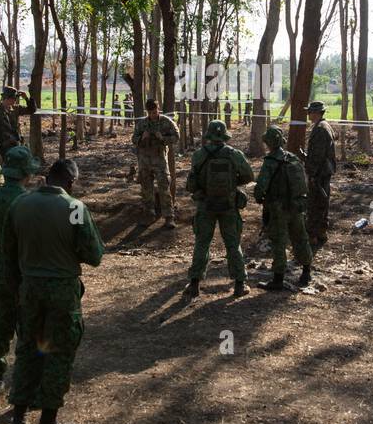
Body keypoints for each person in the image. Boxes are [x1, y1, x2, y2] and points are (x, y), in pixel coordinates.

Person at [5, 159, 104, 424]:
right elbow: (94, 255)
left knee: (27, 350)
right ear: (71, 182)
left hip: (30, 289)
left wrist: (16, 289)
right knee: (58, 353)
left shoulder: (20, 204)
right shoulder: (74, 208)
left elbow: (7, 253)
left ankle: (17, 420)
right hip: (62, 290)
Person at [0, 145, 40, 404]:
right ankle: (26, 387)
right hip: (25, 274)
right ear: (26, 173)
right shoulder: (28, 202)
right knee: (29, 333)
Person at [183, 120, 253, 298]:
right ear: (224, 136)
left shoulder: (198, 155)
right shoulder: (234, 154)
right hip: (228, 205)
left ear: (209, 135)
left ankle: (194, 284)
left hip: (206, 205)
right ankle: (239, 284)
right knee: (232, 244)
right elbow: (248, 175)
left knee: (202, 243)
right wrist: (232, 185)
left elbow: (191, 183)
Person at [255, 125, 312, 291]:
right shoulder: (293, 158)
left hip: (278, 208)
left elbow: (261, 186)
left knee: (279, 241)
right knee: (300, 237)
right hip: (296, 206)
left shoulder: (270, 161)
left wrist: (259, 197)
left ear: (269, 142)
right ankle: (306, 272)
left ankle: (278, 279)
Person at [132, 98, 178, 227]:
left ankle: (169, 217)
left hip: (159, 160)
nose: (153, 114)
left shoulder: (166, 122)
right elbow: (133, 139)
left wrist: (162, 138)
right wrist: (142, 138)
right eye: (150, 112)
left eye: (155, 111)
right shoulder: (142, 124)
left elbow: (176, 137)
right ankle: (149, 214)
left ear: (158, 109)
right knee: (146, 188)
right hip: (144, 160)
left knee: (164, 187)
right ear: (147, 111)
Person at [303, 100, 336, 247]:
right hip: (323, 171)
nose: (308, 114)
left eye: (310, 112)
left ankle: (313, 237)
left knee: (315, 204)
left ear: (316, 113)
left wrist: (312, 174)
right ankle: (321, 232)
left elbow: (317, 156)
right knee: (321, 203)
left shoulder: (321, 129)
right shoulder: (323, 126)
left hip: (319, 173)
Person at [0, 86, 38, 158]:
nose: (15, 100)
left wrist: (26, 99)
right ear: (6, 98)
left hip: (16, 146)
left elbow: (31, 110)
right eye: (13, 98)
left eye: (16, 98)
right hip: (3, 149)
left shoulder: (15, 108)